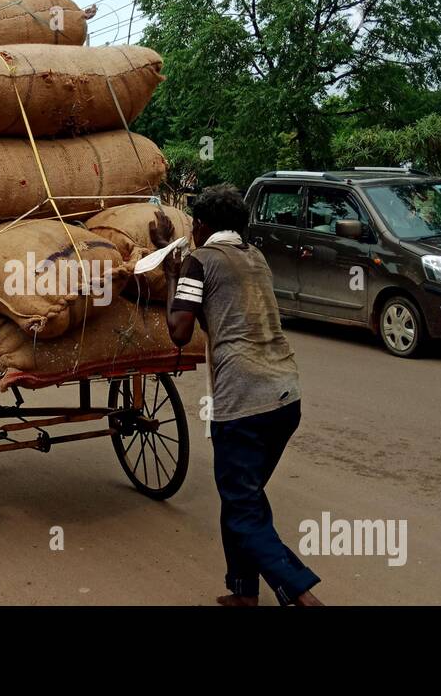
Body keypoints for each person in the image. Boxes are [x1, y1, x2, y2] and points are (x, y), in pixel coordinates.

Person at [158, 184, 324, 607]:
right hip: (286, 395)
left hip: (243, 401)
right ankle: (243, 593)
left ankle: (301, 595)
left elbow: (179, 332)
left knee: (243, 506)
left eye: (195, 223)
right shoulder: (256, 257)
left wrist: (172, 275)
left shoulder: (201, 261)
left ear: (203, 226)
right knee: (243, 497)